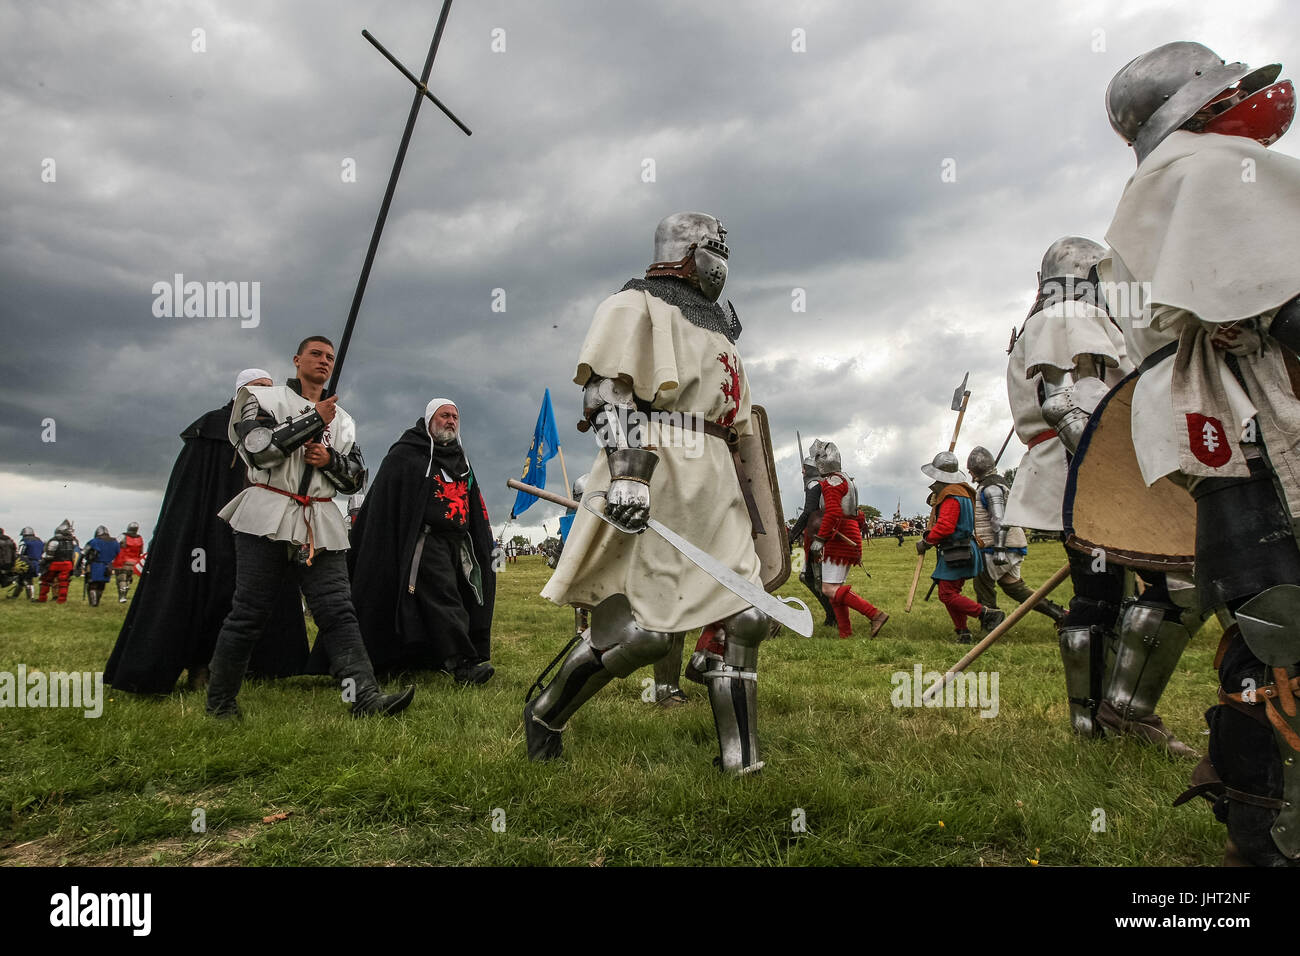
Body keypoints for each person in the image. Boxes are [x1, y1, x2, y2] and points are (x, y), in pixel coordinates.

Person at [1103, 41, 1300, 863]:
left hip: (1224, 415)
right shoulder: (1209, 172)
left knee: (1269, 623)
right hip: (1243, 410)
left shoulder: (1179, 176)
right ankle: (1263, 837)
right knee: (1279, 625)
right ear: (1193, 105)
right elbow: (1281, 307)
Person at [529, 211, 778, 774]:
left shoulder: (721, 330)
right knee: (643, 631)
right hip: (661, 468)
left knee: (745, 616)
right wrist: (629, 473)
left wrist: (755, 504)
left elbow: (740, 427)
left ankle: (742, 762)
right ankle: (546, 713)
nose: (723, 266)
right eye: (716, 251)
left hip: (717, 480)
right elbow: (607, 395)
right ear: (688, 253)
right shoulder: (632, 307)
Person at [1007, 237, 1195, 756]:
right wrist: (1112, 478)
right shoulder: (1067, 315)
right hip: (1087, 467)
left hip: (1086, 467)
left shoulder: (1053, 317)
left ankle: (1105, 718)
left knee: (1109, 593)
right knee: (1167, 584)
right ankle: (1115, 715)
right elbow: (1067, 405)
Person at [206, 337, 413, 718]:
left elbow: (354, 480)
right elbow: (257, 449)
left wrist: (328, 458)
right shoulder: (262, 399)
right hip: (267, 511)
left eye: (330, 357)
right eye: (316, 354)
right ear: (297, 359)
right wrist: (313, 420)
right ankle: (220, 702)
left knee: (338, 612)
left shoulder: (345, 420)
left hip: (319, 519)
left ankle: (364, 698)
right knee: (249, 612)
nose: (324, 361)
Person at [106, 370, 309, 693]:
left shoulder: (275, 433)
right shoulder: (212, 429)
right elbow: (188, 495)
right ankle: (197, 665)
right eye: (257, 389)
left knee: (253, 597)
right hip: (209, 533)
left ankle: (253, 666)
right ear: (241, 392)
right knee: (203, 594)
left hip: (259, 526)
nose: (264, 396)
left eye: (269, 390)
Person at [327, 397, 496, 684]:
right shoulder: (408, 453)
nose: (451, 421)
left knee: (445, 599)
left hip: (457, 545)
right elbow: (384, 499)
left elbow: (472, 502)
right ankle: (463, 665)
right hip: (423, 542)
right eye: (444, 416)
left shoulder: (461, 459)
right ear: (430, 420)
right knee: (444, 597)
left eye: (455, 417)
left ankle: (414, 657)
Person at [967, 446, 1066, 623]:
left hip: (997, 546)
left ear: (976, 470)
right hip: (1011, 544)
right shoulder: (996, 484)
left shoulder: (991, 487)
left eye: (971, 470)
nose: (970, 473)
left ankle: (990, 624)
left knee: (983, 585)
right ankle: (1060, 615)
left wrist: (999, 549)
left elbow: (998, 519)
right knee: (1015, 588)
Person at [916, 454, 1003, 643]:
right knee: (950, 593)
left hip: (959, 549)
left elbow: (946, 526)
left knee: (947, 594)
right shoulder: (960, 491)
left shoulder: (952, 494)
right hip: (957, 549)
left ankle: (986, 613)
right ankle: (962, 631)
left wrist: (927, 542)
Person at [808, 440, 887, 638]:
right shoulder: (847, 480)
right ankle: (845, 633)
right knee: (835, 588)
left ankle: (874, 614)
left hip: (839, 536)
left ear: (821, 462)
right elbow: (857, 513)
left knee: (828, 589)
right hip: (847, 534)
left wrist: (821, 538)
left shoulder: (831, 482)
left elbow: (833, 512)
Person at [788, 454, 835, 627]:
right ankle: (832, 615)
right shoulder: (824, 484)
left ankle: (833, 615)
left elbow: (808, 512)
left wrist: (792, 535)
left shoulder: (814, 485)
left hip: (817, 537)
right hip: (822, 535)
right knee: (809, 577)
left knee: (814, 579)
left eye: (804, 468)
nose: (802, 471)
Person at [37, 520, 78, 604]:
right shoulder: (72, 542)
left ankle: (42, 598)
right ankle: (62, 600)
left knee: (46, 580)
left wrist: (43, 561)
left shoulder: (54, 541)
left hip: (55, 564)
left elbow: (49, 555)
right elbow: (74, 554)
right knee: (64, 582)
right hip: (67, 564)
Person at [80, 527, 121, 607]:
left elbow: (83, 552)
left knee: (93, 584)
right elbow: (118, 554)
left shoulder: (94, 541)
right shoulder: (115, 542)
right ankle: (96, 602)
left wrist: (78, 564)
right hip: (108, 566)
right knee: (101, 585)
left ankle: (94, 603)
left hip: (95, 565)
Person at [111, 522, 145, 604]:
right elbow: (141, 551)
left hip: (122, 562)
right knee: (128, 580)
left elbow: (114, 545)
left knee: (121, 579)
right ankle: (123, 596)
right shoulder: (140, 538)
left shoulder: (123, 536)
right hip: (134, 563)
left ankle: (122, 597)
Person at [11, 528, 42, 600]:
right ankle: (14, 596)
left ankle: (31, 597)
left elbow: (20, 553)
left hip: (26, 562)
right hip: (37, 562)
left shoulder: (24, 541)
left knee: (27, 579)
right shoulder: (39, 541)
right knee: (21, 579)